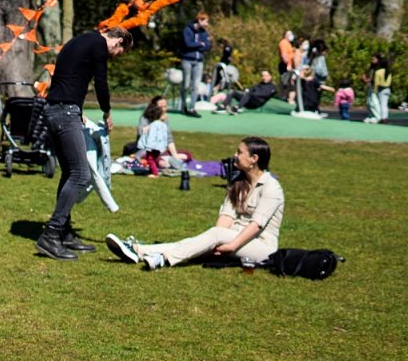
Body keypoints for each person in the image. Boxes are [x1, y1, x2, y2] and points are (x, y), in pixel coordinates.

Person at [32, 23, 131, 260]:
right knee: (81, 175)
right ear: (118, 41)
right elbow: (101, 83)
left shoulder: (79, 41)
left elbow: (66, 78)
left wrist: (74, 108)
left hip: (56, 109)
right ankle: (51, 234)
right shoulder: (98, 44)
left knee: (68, 173)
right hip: (64, 113)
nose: (115, 56)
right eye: (120, 53)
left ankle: (64, 232)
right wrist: (107, 112)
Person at [106, 136, 283, 270]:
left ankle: (162, 258)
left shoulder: (271, 188)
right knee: (199, 241)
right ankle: (138, 250)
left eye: (239, 152)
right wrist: (217, 242)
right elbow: (226, 217)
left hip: (260, 247)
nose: (234, 156)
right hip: (233, 236)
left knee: (210, 237)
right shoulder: (238, 183)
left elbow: (256, 225)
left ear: (254, 159)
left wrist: (229, 246)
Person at [128, 96, 175, 167]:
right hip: (147, 149)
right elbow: (143, 135)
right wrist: (158, 122)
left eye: (165, 107)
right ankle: (159, 161)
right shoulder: (145, 118)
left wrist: (175, 154)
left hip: (161, 150)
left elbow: (169, 138)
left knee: (186, 155)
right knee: (155, 158)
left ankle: (166, 160)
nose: (163, 109)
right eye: (160, 107)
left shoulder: (165, 119)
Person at [179, 11, 210, 115]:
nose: (207, 24)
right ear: (199, 20)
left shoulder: (204, 32)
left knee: (195, 85)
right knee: (186, 85)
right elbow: (187, 44)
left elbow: (207, 46)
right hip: (187, 60)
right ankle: (183, 106)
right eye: (206, 21)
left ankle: (192, 108)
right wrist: (200, 44)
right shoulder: (187, 30)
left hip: (199, 62)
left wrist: (201, 44)